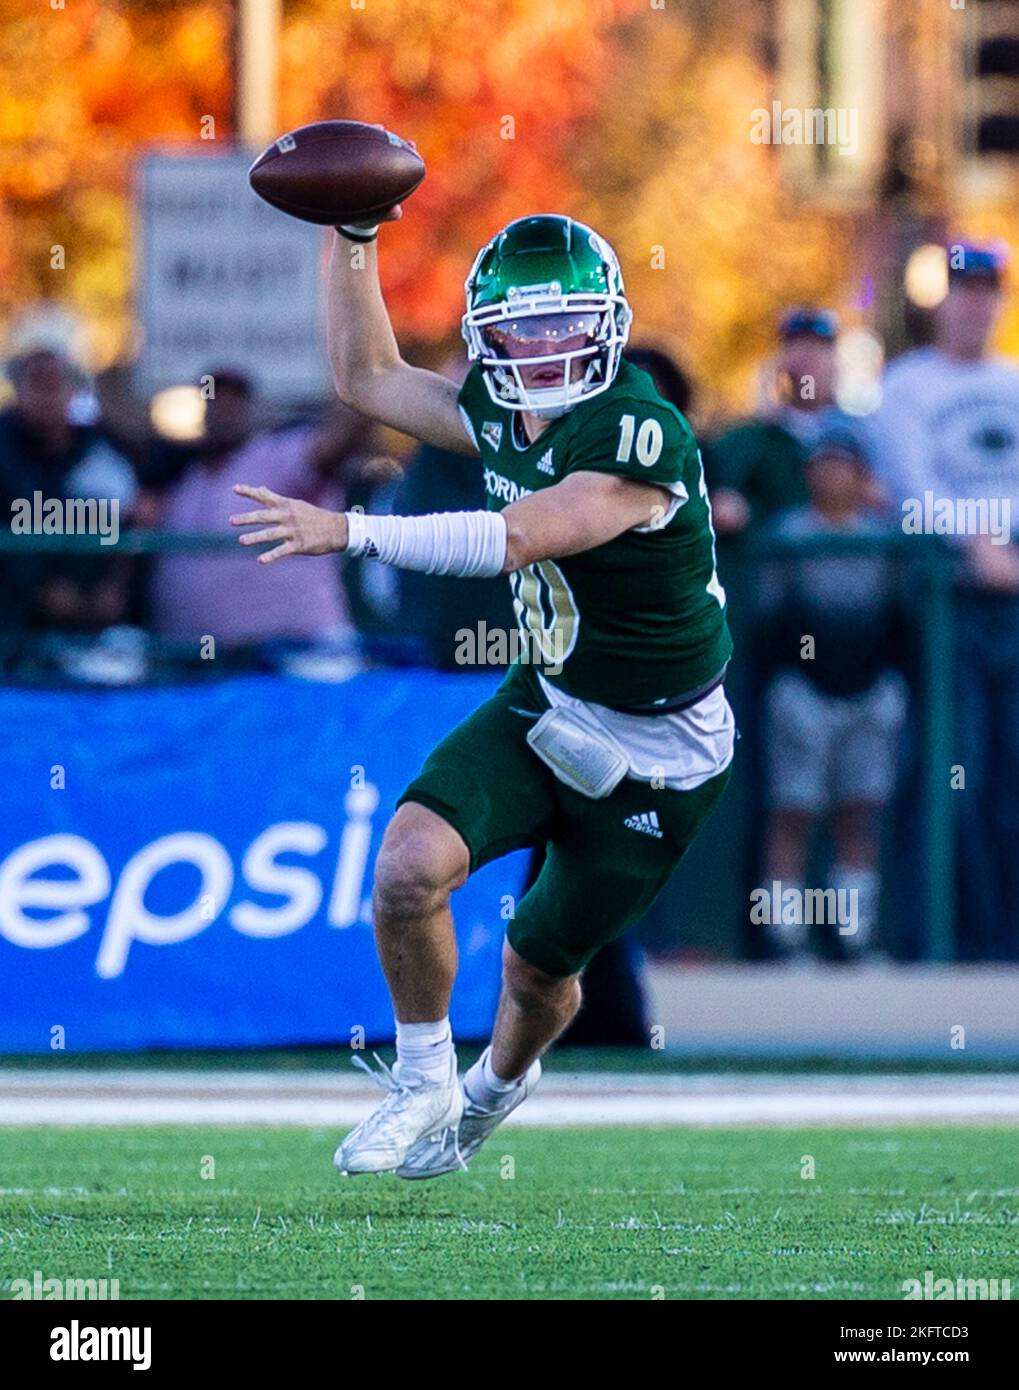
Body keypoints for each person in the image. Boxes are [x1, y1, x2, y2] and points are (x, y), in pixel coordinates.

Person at [231, 209, 735, 1178]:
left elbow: (512, 536)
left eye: (563, 327)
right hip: (548, 697)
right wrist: (353, 231)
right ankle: (422, 1077)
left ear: (607, 326)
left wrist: (351, 531)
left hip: (662, 754)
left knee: (537, 974)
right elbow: (366, 378)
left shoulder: (639, 429)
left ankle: (495, 1088)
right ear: (486, 336)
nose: (544, 354)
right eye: (523, 331)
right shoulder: (504, 415)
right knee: (406, 868)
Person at [872, 240, 1019, 960]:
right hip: (942, 608)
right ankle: (937, 940)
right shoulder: (906, 384)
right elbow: (909, 488)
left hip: (1011, 601)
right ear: (942, 300)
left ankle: (1002, 942)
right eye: (963, 289)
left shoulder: (1012, 380)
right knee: (951, 773)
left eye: (987, 289)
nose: (974, 302)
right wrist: (978, 544)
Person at [755, 432, 909, 961]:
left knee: (858, 812)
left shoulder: (887, 540)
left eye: (844, 465)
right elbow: (768, 622)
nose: (832, 476)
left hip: (872, 696)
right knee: (792, 811)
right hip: (801, 695)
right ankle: (784, 939)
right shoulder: (786, 537)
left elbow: (903, 621)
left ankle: (854, 938)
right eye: (822, 465)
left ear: (863, 474)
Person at [149, 369, 362, 650]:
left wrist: (363, 380)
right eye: (214, 399)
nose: (223, 410)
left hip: (301, 653)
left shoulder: (278, 456)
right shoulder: (186, 478)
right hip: (207, 664)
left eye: (233, 401)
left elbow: (339, 441)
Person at [0, 348, 137, 640]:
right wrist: (39, 587)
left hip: (89, 631)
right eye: (37, 382)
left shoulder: (100, 450)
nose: (47, 394)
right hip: (13, 633)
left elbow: (126, 525)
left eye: (55, 383)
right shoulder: (5, 450)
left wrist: (114, 586)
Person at [705, 307, 855, 536]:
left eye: (819, 348)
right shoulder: (749, 441)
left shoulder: (861, 436)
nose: (808, 358)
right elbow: (721, 501)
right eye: (797, 346)